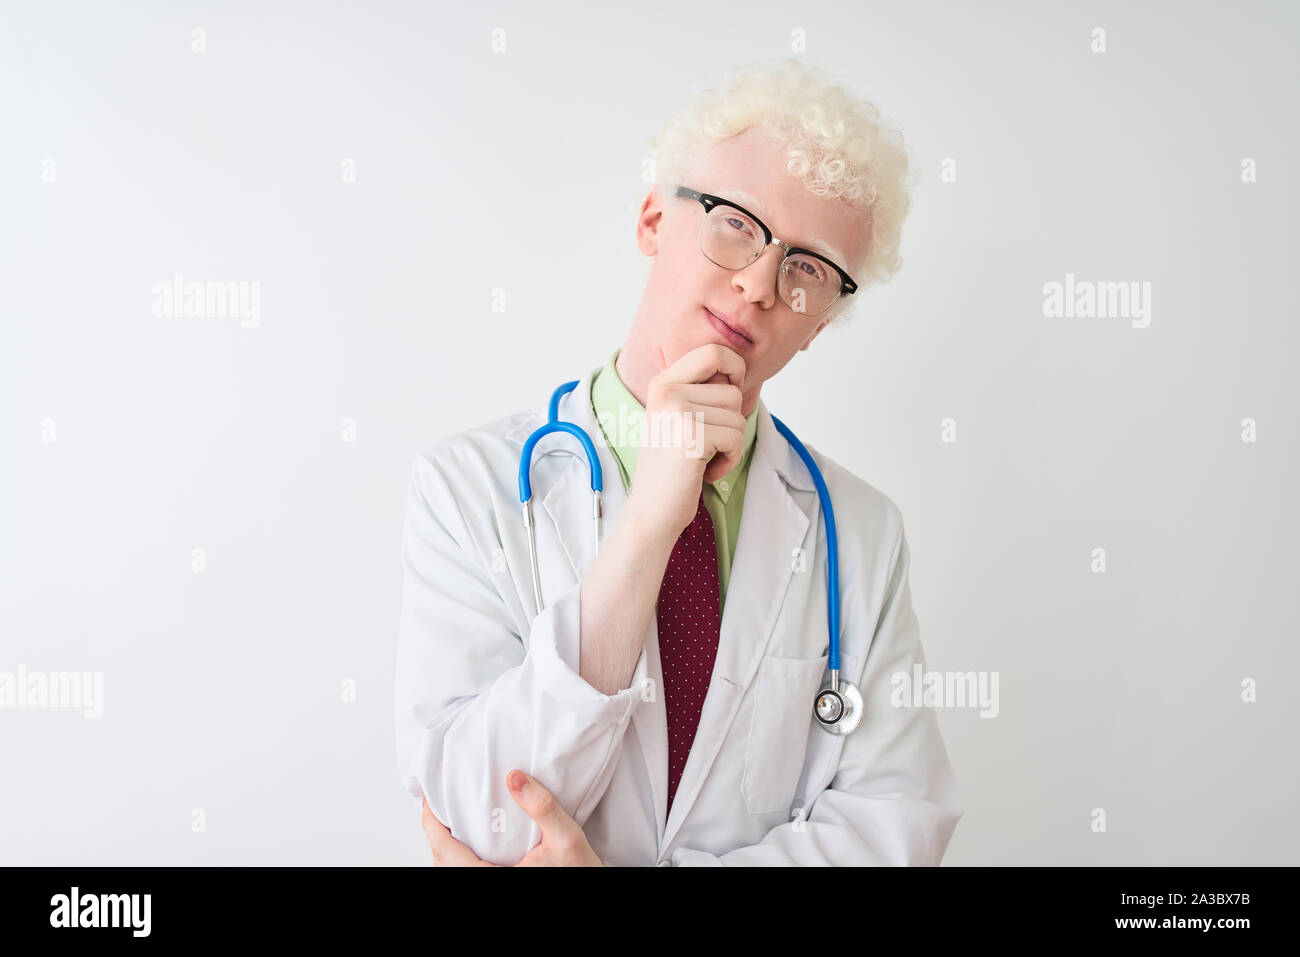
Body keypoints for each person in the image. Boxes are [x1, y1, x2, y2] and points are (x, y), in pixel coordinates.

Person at [395, 57, 962, 866]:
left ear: (823, 322)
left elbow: (894, 829)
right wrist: (651, 522)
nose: (761, 285)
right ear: (654, 220)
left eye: (807, 269)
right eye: (736, 222)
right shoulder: (465, 488)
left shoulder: (861, 533)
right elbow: (477, 816)